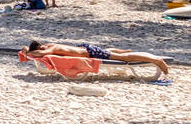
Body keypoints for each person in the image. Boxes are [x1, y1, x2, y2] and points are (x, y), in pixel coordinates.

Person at [23, 40, 169, 77]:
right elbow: (37, 52)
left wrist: (26, 52)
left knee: (124, 58)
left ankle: (156, 60)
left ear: (41, 46)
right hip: (85, 49)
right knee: (110, 53)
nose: (43, 50)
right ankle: (118, 51)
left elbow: (37, 54)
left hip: (89, 53)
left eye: (41, 48)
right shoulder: (50, 45)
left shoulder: (51, 48)